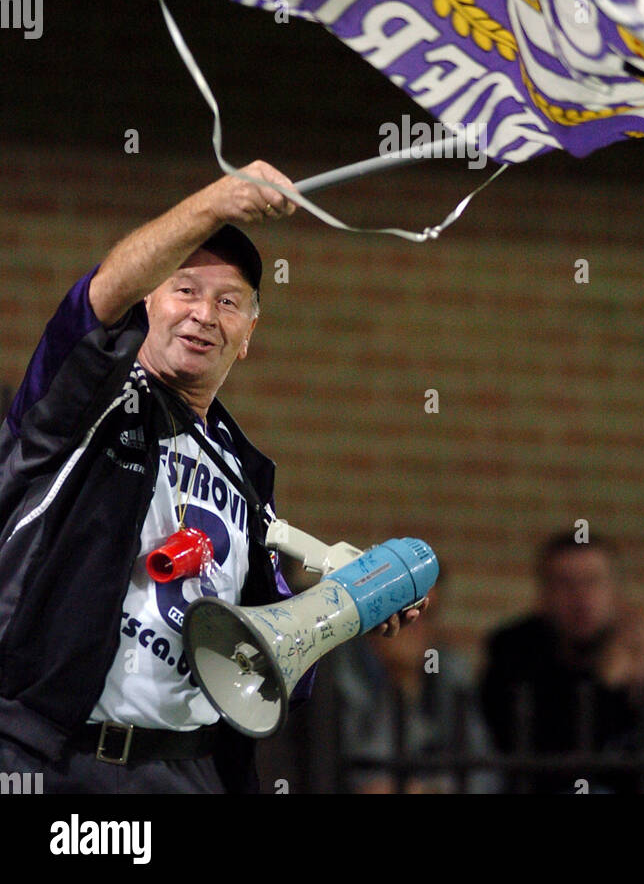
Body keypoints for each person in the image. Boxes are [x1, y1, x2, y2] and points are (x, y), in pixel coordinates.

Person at [0, 161, 425, 794]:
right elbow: (97, 297)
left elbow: (266, 652)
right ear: (148, 302)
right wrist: (213, 204)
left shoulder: (247, 475)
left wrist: (353, 606)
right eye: (185, 291)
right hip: (52, 760)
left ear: (247, 334)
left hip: (189, 771)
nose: (204, 314)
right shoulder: (83, 399)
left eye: (228, 303)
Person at [479, 531, 644, 793]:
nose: (581, 598)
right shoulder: (513, 653)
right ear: (544, 596)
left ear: (616, 592)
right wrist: (606, 687)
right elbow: (542, 761)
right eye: (565, 584)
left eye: (593, 582)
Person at [333, 574, 501, 794]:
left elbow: (484, 773)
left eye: (426, 616)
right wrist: (400, 681)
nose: (416, 628)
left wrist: (431, 789)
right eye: (407, 616)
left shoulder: (448, 673)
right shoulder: (341, 672)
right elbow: (356, 772)